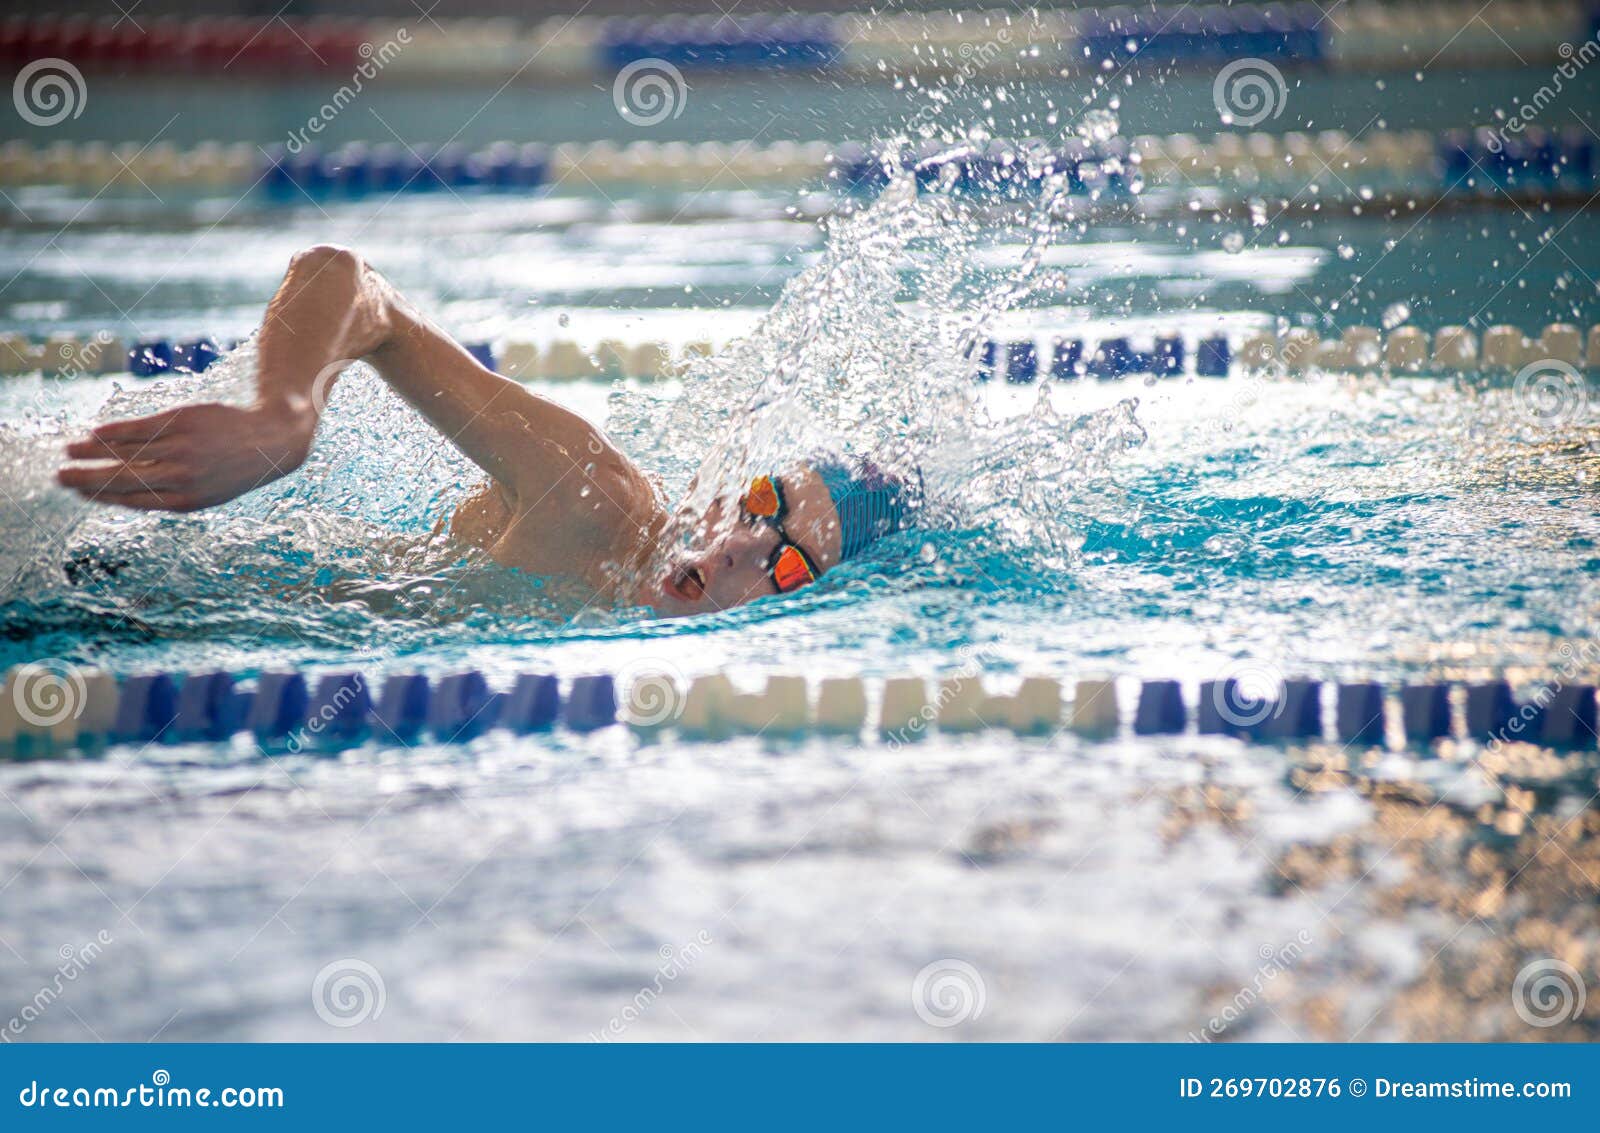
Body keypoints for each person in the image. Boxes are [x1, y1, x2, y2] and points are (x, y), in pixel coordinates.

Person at [56, 245, 913, 617]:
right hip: (108, 584)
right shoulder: (594, 500)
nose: (737, 548)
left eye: (789, 566)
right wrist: (281, 420)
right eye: (761, 505)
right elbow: (350, 285)